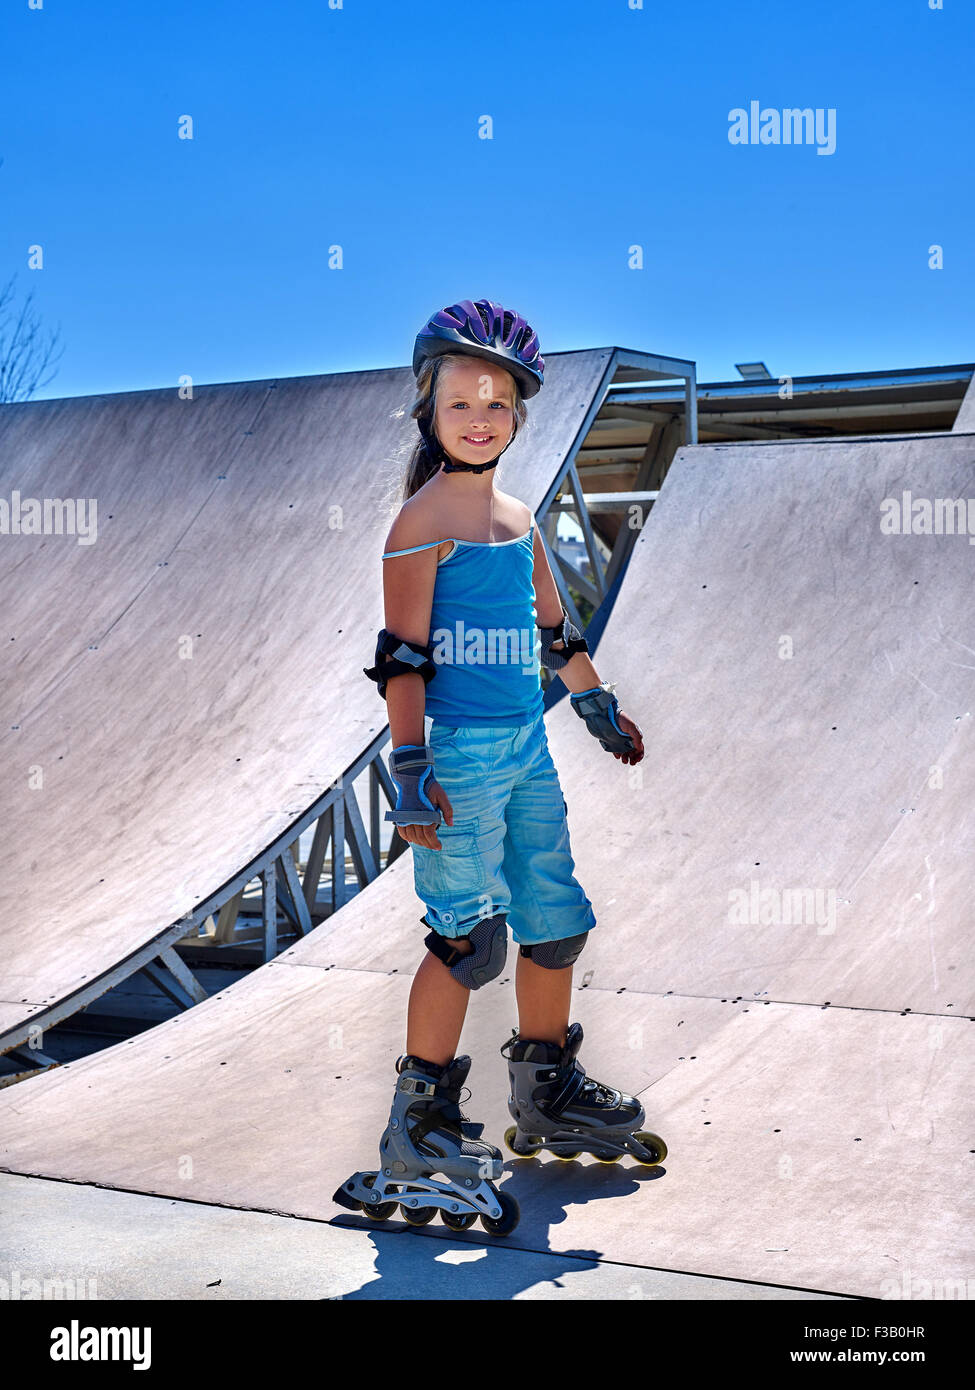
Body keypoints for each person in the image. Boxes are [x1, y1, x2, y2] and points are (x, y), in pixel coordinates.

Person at [333, 300, 666, 1237]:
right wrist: (407, 770)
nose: (478, 417)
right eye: (458, 403)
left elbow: (553, 628)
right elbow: (402, 656)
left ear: (517, 415)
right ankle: (419, 1125)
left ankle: (545, 1085)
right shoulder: (418, 523)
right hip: (457, 759)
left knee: (554, 922)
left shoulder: (519, 519)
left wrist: (595, 703)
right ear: (427, 414)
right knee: (466, 939)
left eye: (496, 402)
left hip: (527, 750)